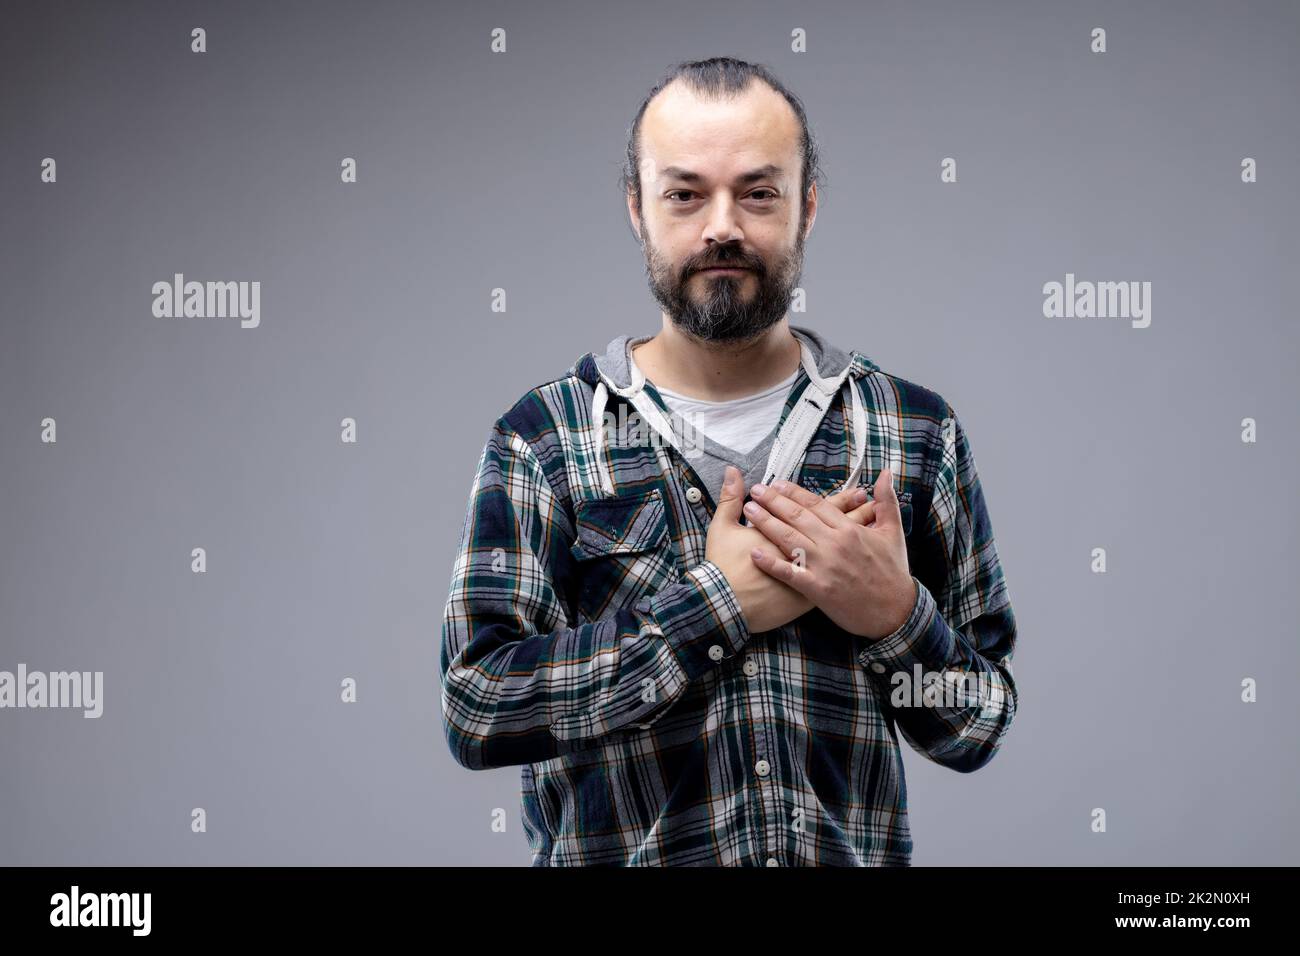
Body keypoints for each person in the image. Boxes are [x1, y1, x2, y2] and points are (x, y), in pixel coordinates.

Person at [439, 56, 1018, 866]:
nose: (723, 226)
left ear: (806, 208)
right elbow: (478, 709)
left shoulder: (912, 430)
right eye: (685, 194)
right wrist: (713, 610)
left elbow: (977, 724)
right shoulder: (545, 437)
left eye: (758, 192)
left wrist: (894, 618)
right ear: (638, 211)